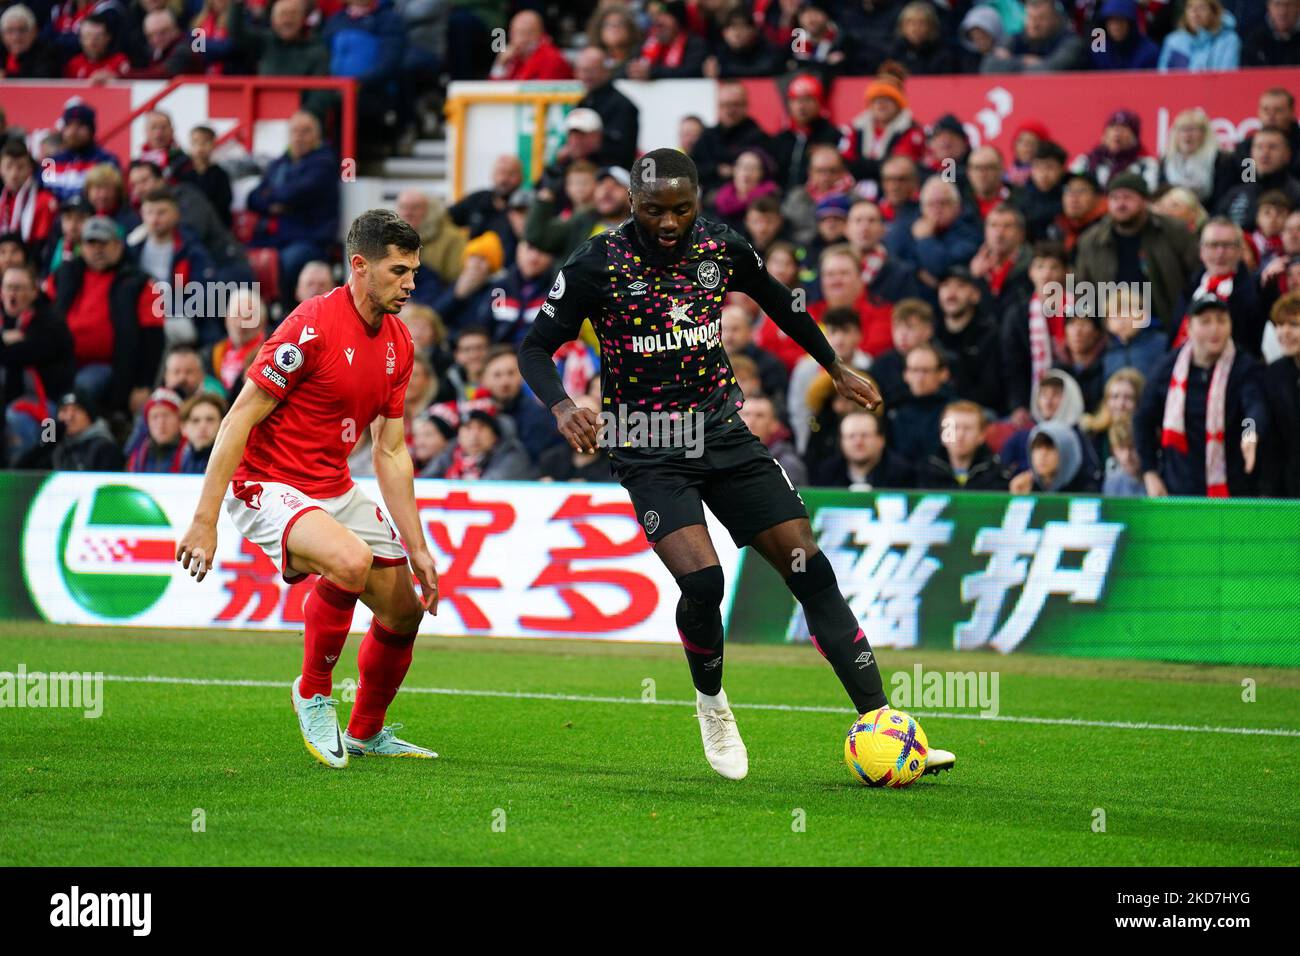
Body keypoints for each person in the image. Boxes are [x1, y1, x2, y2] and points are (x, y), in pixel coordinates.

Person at [517, 147, 955, 781]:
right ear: (632, 205)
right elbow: (535, 348)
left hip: (725, 433)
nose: (669, 223)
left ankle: (882, 722)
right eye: (654, 210)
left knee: (810, 568)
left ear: (700, 202)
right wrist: (560, 406)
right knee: (703, 585)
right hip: (646, 446)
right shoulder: (597, 263)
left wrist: (832, 364)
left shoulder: (721, 248)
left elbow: (782, 301)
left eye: (682, 209)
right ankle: (712, 701)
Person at [175, 209, 440, 766]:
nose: (410, 283)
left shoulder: (399, 342)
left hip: (333, 486)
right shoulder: (309, 327)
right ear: (360, 266)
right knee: (350, 559)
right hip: (265, 483)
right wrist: (205, 520)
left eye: (414, 271)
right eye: (398, 271)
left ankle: (367, 731)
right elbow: (237, 419)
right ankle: (313, 693)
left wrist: (417, 547)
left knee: (404, 614)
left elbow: (389, 450)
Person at [1134, 295, 1268, 498]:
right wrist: (1150, 472)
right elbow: (1143, 419)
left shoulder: (1244, 366)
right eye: (1205, 322)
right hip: (1179, 487)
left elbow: (1253, 408)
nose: (1215, 329)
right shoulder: (1167, 368)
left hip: (1234, 489)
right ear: (1188, 327)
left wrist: (1249, 434)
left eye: (1221, 320)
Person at [48, 216, 165, 415]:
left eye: (104, 242)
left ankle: (61, 438)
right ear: (82, 247)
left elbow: (153, 339)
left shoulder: (141, 283)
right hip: (59, 362)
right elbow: (39, 312)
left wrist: (143, 385)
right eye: (91, 243)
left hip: (107, 368)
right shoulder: (64, 274)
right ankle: (48, 440)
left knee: (80, 390)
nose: (97, 249)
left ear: (118, 246)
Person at [245, 110, 339, 303]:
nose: (299, 136)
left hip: (309, 239)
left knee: (287, 262)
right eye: (295, 131)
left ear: (317, 136)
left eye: (306, 131)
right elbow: (252, 199)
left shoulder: (324, 163)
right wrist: (276, 203)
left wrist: (272, 198)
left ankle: (285, 314)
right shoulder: (278, 164)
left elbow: (293, 194)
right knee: (238, 260)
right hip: (272, 237)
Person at [1, 263, 75, 464]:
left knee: (16, 419)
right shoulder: (5, 321)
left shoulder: (51, 321)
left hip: (51, 408)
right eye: (8, 287)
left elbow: (25, 353)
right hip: (10, 399)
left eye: (19, 288)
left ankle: (19, 479)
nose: (12, 294)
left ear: (34, 291)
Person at [916, 400, 1010, 490]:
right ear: (942, 433)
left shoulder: (997, 473)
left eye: (967, 428)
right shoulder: (924, 472)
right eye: (953, 428)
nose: (960, 435)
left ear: (981, 435)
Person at [1260, 292, 1300, 497]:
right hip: (1286, 491)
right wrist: (1248, 434)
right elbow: (1253, 419)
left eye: (1293, 324)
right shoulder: (1273, 374)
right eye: (1279, 325)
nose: (1284, 332)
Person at [813, 408, 914, 489]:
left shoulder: (903, 475)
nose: (858, 442)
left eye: (865, 435)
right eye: (851, 436)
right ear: (841, 442)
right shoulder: (827, 473)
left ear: (881, 440)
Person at [1158, 0, 1241, 70]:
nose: (1195, 14)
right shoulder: (1173, 41)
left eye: (1201, 8)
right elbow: (1164, 78)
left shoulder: (1228, 40)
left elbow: (1227, 77)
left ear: (1213, 12)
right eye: (1190, 7)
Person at [126, 386, 187, 472]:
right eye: (154, 417)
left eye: (166, 415)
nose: (160, 423)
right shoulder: (138, 454)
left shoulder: (191, 452)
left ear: (180, 420)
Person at [1240, 0, 1300, 68]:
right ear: (1268, 7)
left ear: (1298, 7)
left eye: (1289, 5)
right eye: (1277, 4)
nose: (1283, 12)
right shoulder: (1254, 41)